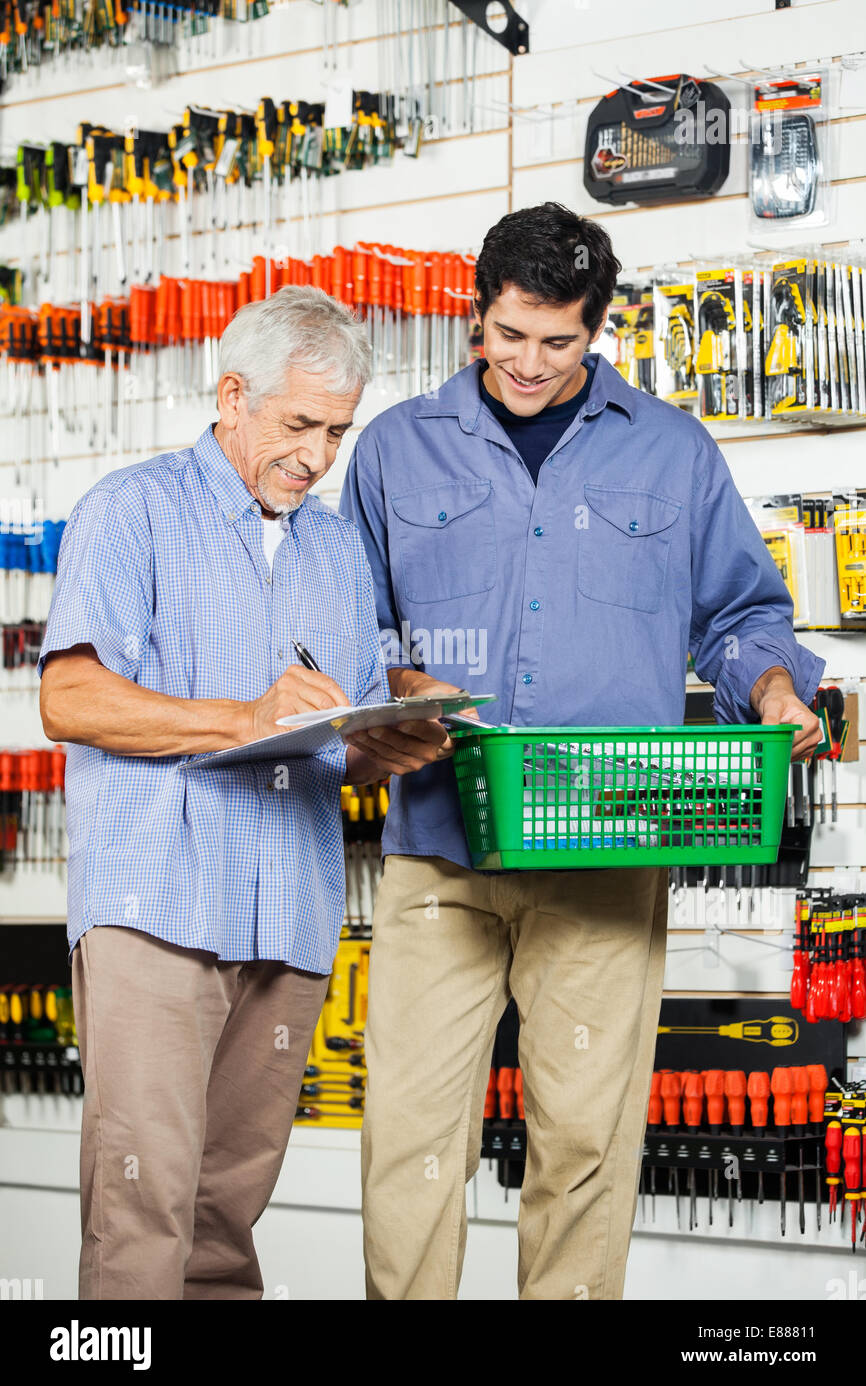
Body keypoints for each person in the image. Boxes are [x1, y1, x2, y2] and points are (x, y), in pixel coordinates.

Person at [340, 203, 824, 1300]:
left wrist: (775, 687)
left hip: (607, 850)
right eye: (509, 336)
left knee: (581, 1148)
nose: (527, 363)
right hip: (437, 847)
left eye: (557, 343)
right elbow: (348, 625)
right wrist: (398, 681)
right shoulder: (392, 451)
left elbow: (740, 611)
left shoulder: (670, 449)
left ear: (596, 330)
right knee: (408, 1146)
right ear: (479, 315)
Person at [38, 286, 447, 1301]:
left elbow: (327, 737)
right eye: (297, 424)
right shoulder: (128, 513)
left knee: (226, 1222)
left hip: (289, 917)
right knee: (145, 1213)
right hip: (158, 910)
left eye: (337, 432)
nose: (316, 456)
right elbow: (68, 695)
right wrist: (235, 716)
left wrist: (382, 742)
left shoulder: (338, 548)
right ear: (231, 395)